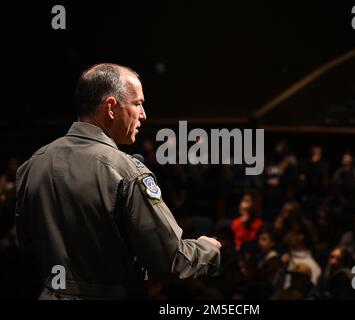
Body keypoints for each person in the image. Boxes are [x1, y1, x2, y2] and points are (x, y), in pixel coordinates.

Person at [15, 63, 221, 300]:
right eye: (138, 104)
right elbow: (170, 261)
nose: (143, 114)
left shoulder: (33, 164)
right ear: (111, 107)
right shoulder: (126, 171)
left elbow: (26, 245)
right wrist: (208, 249)